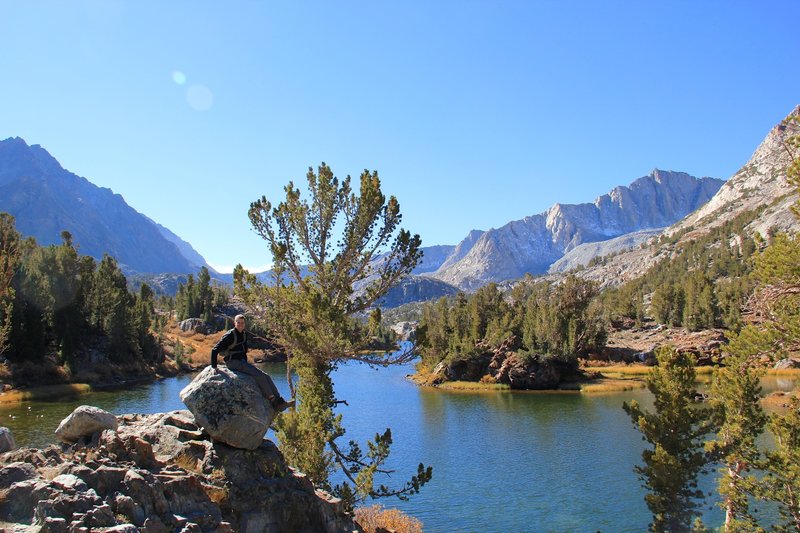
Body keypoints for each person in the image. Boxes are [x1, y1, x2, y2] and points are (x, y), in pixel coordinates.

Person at [211, 314, 294, 412]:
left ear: (244, 324)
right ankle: (273, 402)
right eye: (238, 322)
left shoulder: (243, 334)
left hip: (241, 362)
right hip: (233, 362)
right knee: (259, 376)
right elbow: (214, 350)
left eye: (242, 323)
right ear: (235, 323)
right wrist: (214, 367)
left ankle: (279, 401)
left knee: (266, 376)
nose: (240, 325)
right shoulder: (230, 335)